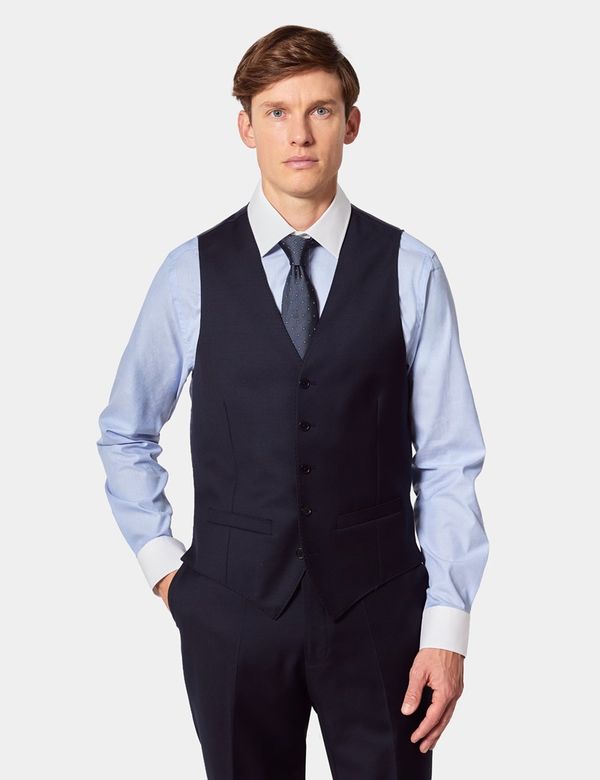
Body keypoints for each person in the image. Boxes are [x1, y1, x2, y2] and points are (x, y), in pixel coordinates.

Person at [96, 24, 488, 780]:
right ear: (246, 127)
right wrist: (168, 573)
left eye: (320, 110)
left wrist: (447, 626)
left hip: (381, 617)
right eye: (277, 112)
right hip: (231, 614)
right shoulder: (189, 273)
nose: (299, 134)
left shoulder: (411, 269)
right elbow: (125, 432)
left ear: (352, 123)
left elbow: (448, 458)